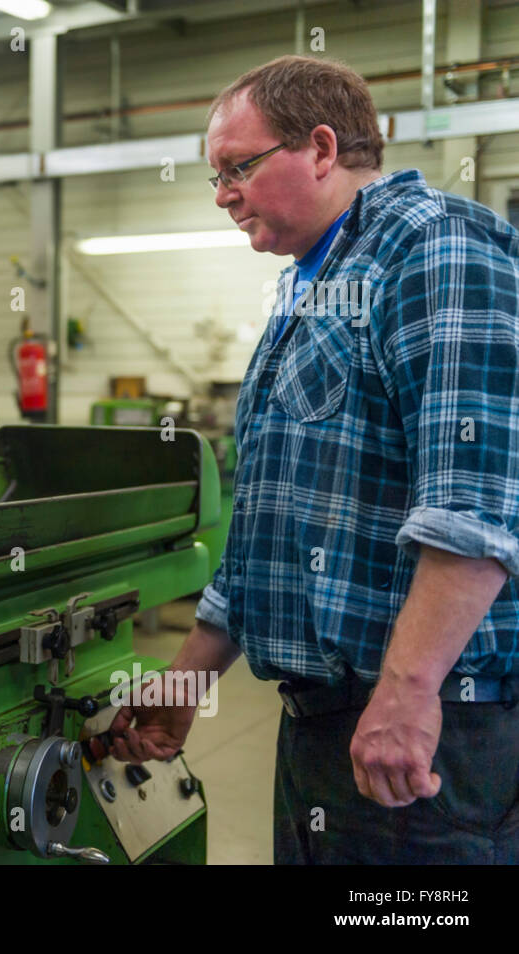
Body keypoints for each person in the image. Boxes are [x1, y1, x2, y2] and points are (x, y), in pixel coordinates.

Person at [109, 55, 519, 864]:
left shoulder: (432, 249)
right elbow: (272, 526)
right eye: (215, 175)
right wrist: (187, 681)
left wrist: (406, 697)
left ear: (322, 149)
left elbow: (474, 507)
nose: (223, 192)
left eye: (238, 166)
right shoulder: (313, 286)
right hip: (326, 730)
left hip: (428, 733)